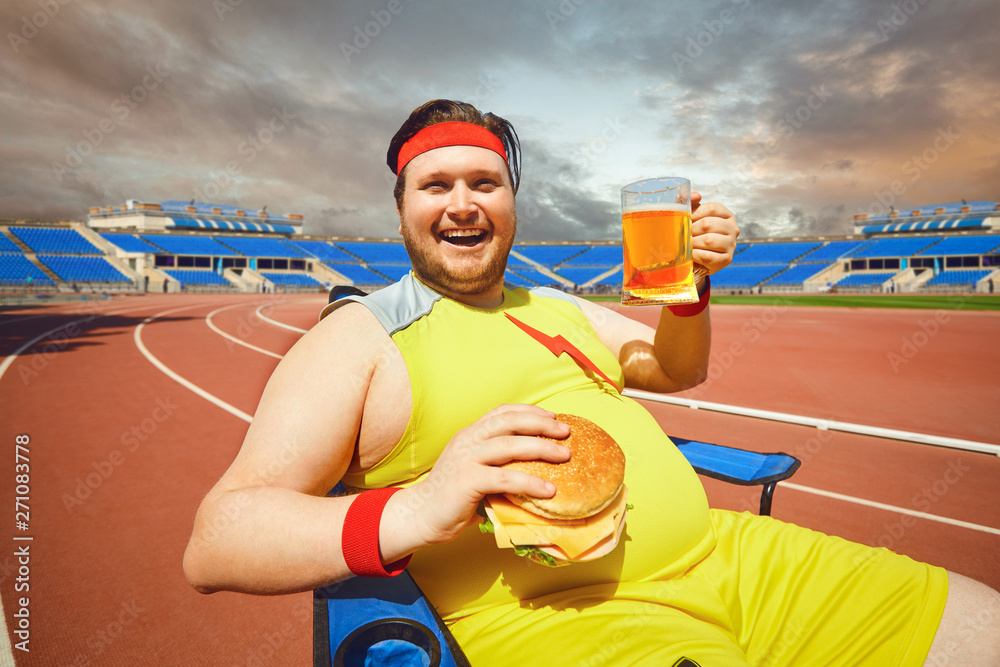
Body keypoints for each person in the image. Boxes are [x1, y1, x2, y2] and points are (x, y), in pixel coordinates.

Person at [183, 100, 1000, 665]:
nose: (463, 203)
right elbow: (218, 539)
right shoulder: (358, 339)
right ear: (402, 207)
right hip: (575, 622)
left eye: (485, 183)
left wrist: (690, 287)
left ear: (512, 203)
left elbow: (676, 367)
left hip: (739, 558)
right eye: (436, 185)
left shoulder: (561, 307)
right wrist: (420, 505)